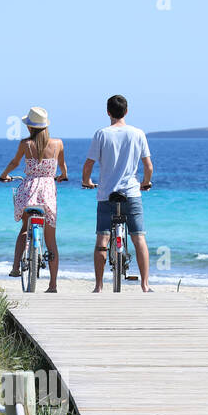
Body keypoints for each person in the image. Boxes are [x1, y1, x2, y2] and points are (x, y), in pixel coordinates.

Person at [82, 94, 153, 292]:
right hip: (131, 193)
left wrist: (86, 182)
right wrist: (145, 183)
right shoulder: (138, 133)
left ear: (108, 112)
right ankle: (145, 285)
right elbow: (148, 166)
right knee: (138, 237)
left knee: (102, 239)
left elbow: (88, 165)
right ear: (127, 111)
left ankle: (98, 286)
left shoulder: (101, 134)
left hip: (107, 194)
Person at [0, 106, 66, 292]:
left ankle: (15, 268)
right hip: (48, 192)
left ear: (29, 127)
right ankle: (52, 285)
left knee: (23, 229)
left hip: (28, 190)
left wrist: (4, 175)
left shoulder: (25, 144)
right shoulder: (58, 143)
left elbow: (14, 163)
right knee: (51, 240)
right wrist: (63, 175)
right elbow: (62, 165)